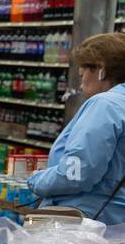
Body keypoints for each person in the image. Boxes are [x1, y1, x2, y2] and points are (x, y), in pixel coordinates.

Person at [27, 32, 125, 225]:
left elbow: (77, 173)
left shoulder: (105, 104)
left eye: (82, 74)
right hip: (116, 221)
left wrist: (36, 180)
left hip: (85, 220)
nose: (80, 83)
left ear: (101, 70)